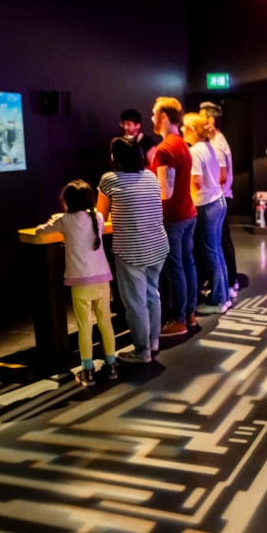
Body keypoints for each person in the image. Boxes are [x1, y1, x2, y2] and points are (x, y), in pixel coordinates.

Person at [35, 179, 117, 386]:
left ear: (67, 201)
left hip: (80, 282)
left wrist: (55, 219)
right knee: (105, 323)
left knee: (84, 326)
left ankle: (87, 370)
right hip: (102, 279)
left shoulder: (65, 221)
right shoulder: (97, 217)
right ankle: (111, 364)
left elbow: (41, 231)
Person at [97, 136, 169, 364]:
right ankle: (153, 341)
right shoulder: (150, 176)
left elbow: (101, 217)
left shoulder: (109, 179)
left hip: (131, 249)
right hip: (157, 246)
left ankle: (142, 351)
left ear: (114, 157)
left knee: (135, 303)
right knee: (151, 294)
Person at [150, 97, 199, 337]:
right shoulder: (181, 144)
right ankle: (189, 314)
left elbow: (164, 192)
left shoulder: (165, 149)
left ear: (163, 117)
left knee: (176, 268)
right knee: (188, 264)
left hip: (172, 218)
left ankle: (179, 319)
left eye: (153, 114)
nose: (151, 118)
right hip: (188, 213)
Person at [183, 112, 230, 314]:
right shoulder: (210, 147)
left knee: (210, 252)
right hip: (218, 201)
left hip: (206, 204)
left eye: (185, 127)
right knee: (216, 250)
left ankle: (218, 300)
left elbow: (197, 182)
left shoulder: (194, 151)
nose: (183, 131)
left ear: (192, 129)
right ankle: (223, 295)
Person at [201, 101, 240, 301]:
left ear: (210, 120)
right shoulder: (216, 141)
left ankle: (230, 282)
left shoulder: (217, 144)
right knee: (221, 242)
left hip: (220, 197)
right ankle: (228, 281)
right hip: (222, 196)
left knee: (220, 243)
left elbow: (222, 176)